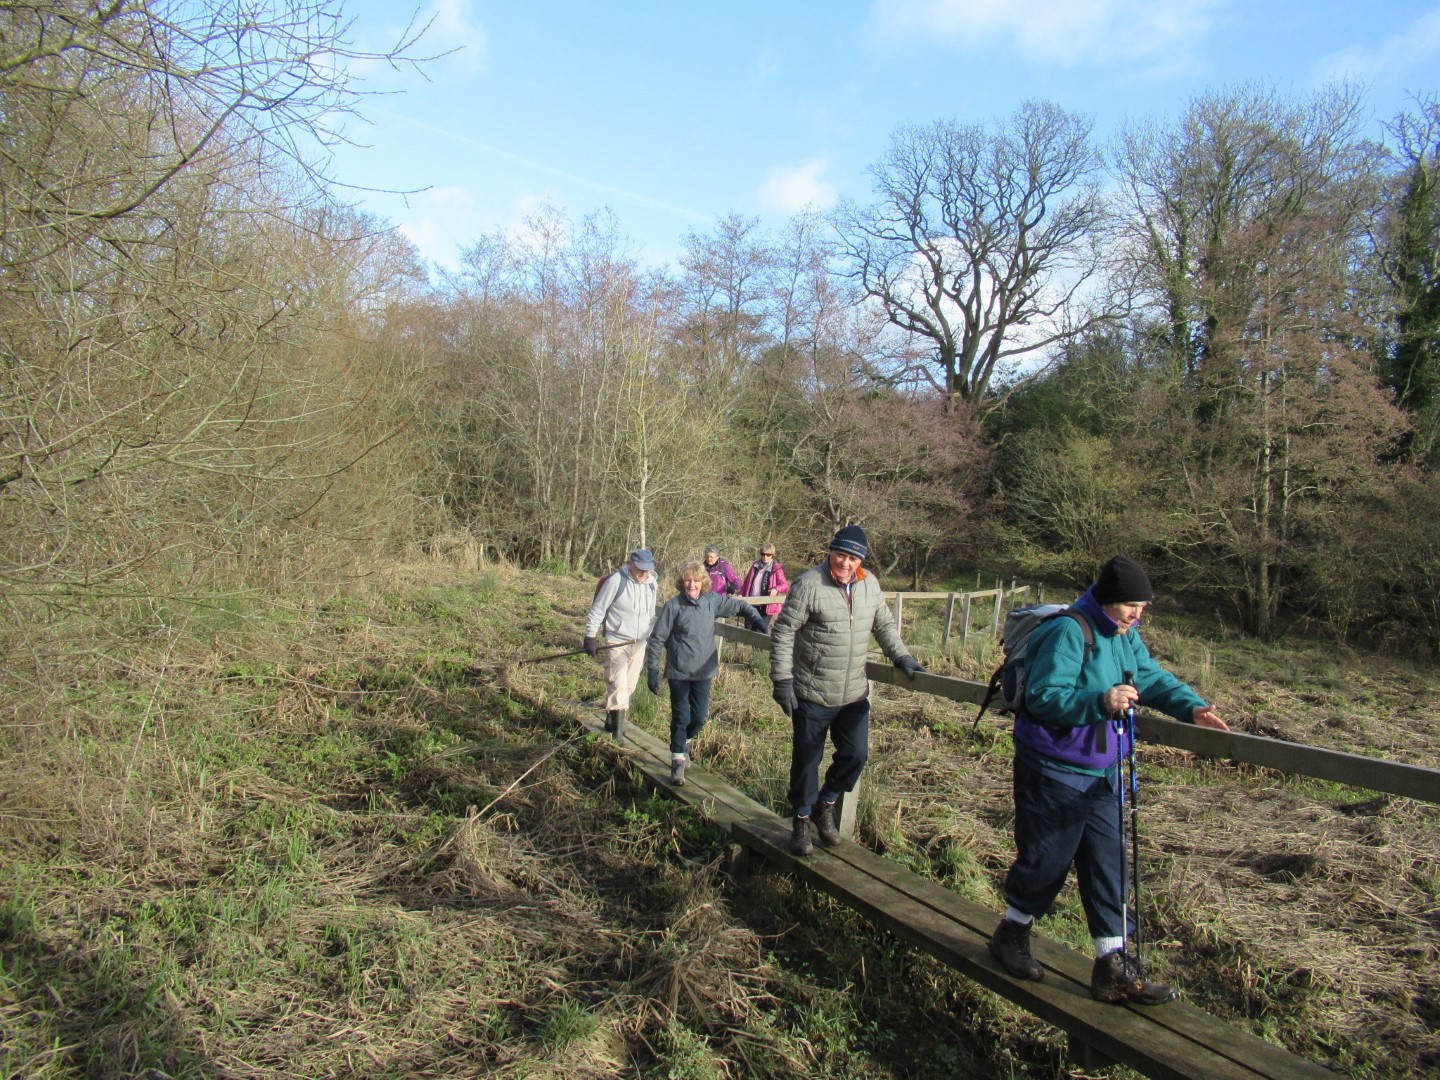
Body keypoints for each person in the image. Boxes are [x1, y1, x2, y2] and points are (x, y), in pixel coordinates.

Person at [987, 554, 1229, 1006]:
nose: (1138, 615)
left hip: (1103, 770)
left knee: (1108, 863)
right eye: (1132, 606)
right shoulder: (1068, 631)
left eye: (1143, 607)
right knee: (1046, 859)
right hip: (1053, 769)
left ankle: (1112, 965)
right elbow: (1043, 697)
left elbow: (1150, 678)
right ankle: (1010, 935)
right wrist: (1101, 701)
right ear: (1108, 599)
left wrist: (1191, 706)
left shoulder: (1124, 635)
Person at [769, 525, 924, 857]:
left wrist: (903, 656)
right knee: (807, 760)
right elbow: (783, 632)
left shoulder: (870, 585)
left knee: (856, 755)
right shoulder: (809, 584)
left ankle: (826, 803)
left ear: (861, 560)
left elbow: (883, 625)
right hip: (812, 692)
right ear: (830, 552)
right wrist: (782, 680)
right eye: (840, 554)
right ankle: (801, 820)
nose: (845, 562)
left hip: (853, 693)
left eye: (853, 557)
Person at [645, 561, 768, 786]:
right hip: (679, 672)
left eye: (696, 580)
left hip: (704, 671)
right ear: (682, 582)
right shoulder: (674, 606)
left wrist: (757, 619)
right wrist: (652, 670)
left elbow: (739, 606)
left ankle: (686, 742)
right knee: (681, 717)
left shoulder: (711, 602)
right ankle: (677, 761)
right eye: (687, 580)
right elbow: (657, 639)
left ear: (704, 583)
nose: (691, 584)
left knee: (699, 718)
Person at [584, 549, 659, 742]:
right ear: (630, 564)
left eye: (648, 570)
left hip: (639, 641)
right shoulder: (616, 581)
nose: (644, 574)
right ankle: (617, 733)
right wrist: (590, 636)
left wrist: (650, 638)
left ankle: (612, 716)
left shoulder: (652, 584)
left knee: (630, 685)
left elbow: (650, 615)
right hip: (617, 639)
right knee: (618, 683)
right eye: (641, 569)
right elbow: (598, 610)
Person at [740, 543, 789, 627]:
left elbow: (785, 585)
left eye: (768, 554)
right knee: (748, 630)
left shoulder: (776, 568)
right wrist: (741, 593)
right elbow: (746, 583)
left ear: (772, 555)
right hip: (751, 604)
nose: (765, 557)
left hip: (766, 606)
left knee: (760, 632)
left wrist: (776, 589)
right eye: (763, 554)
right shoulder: (755, 565)